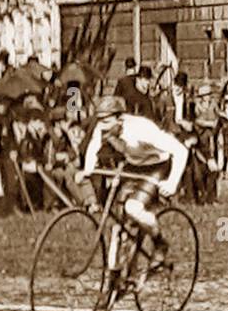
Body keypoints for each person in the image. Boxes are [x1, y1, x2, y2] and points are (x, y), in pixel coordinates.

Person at [78, 96, 188, 270]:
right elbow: (93, 146)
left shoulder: (141, 130)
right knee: (118, 219)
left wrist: (172, 182)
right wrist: (87, 169)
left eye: (106, 121)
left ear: (119, 118)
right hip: (133, 165)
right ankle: (121, 271)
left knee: (133, 208)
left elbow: (180, 151)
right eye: (100, 121)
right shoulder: (103, 127)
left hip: (157, 166)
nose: (102, 126)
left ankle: (160, 243)